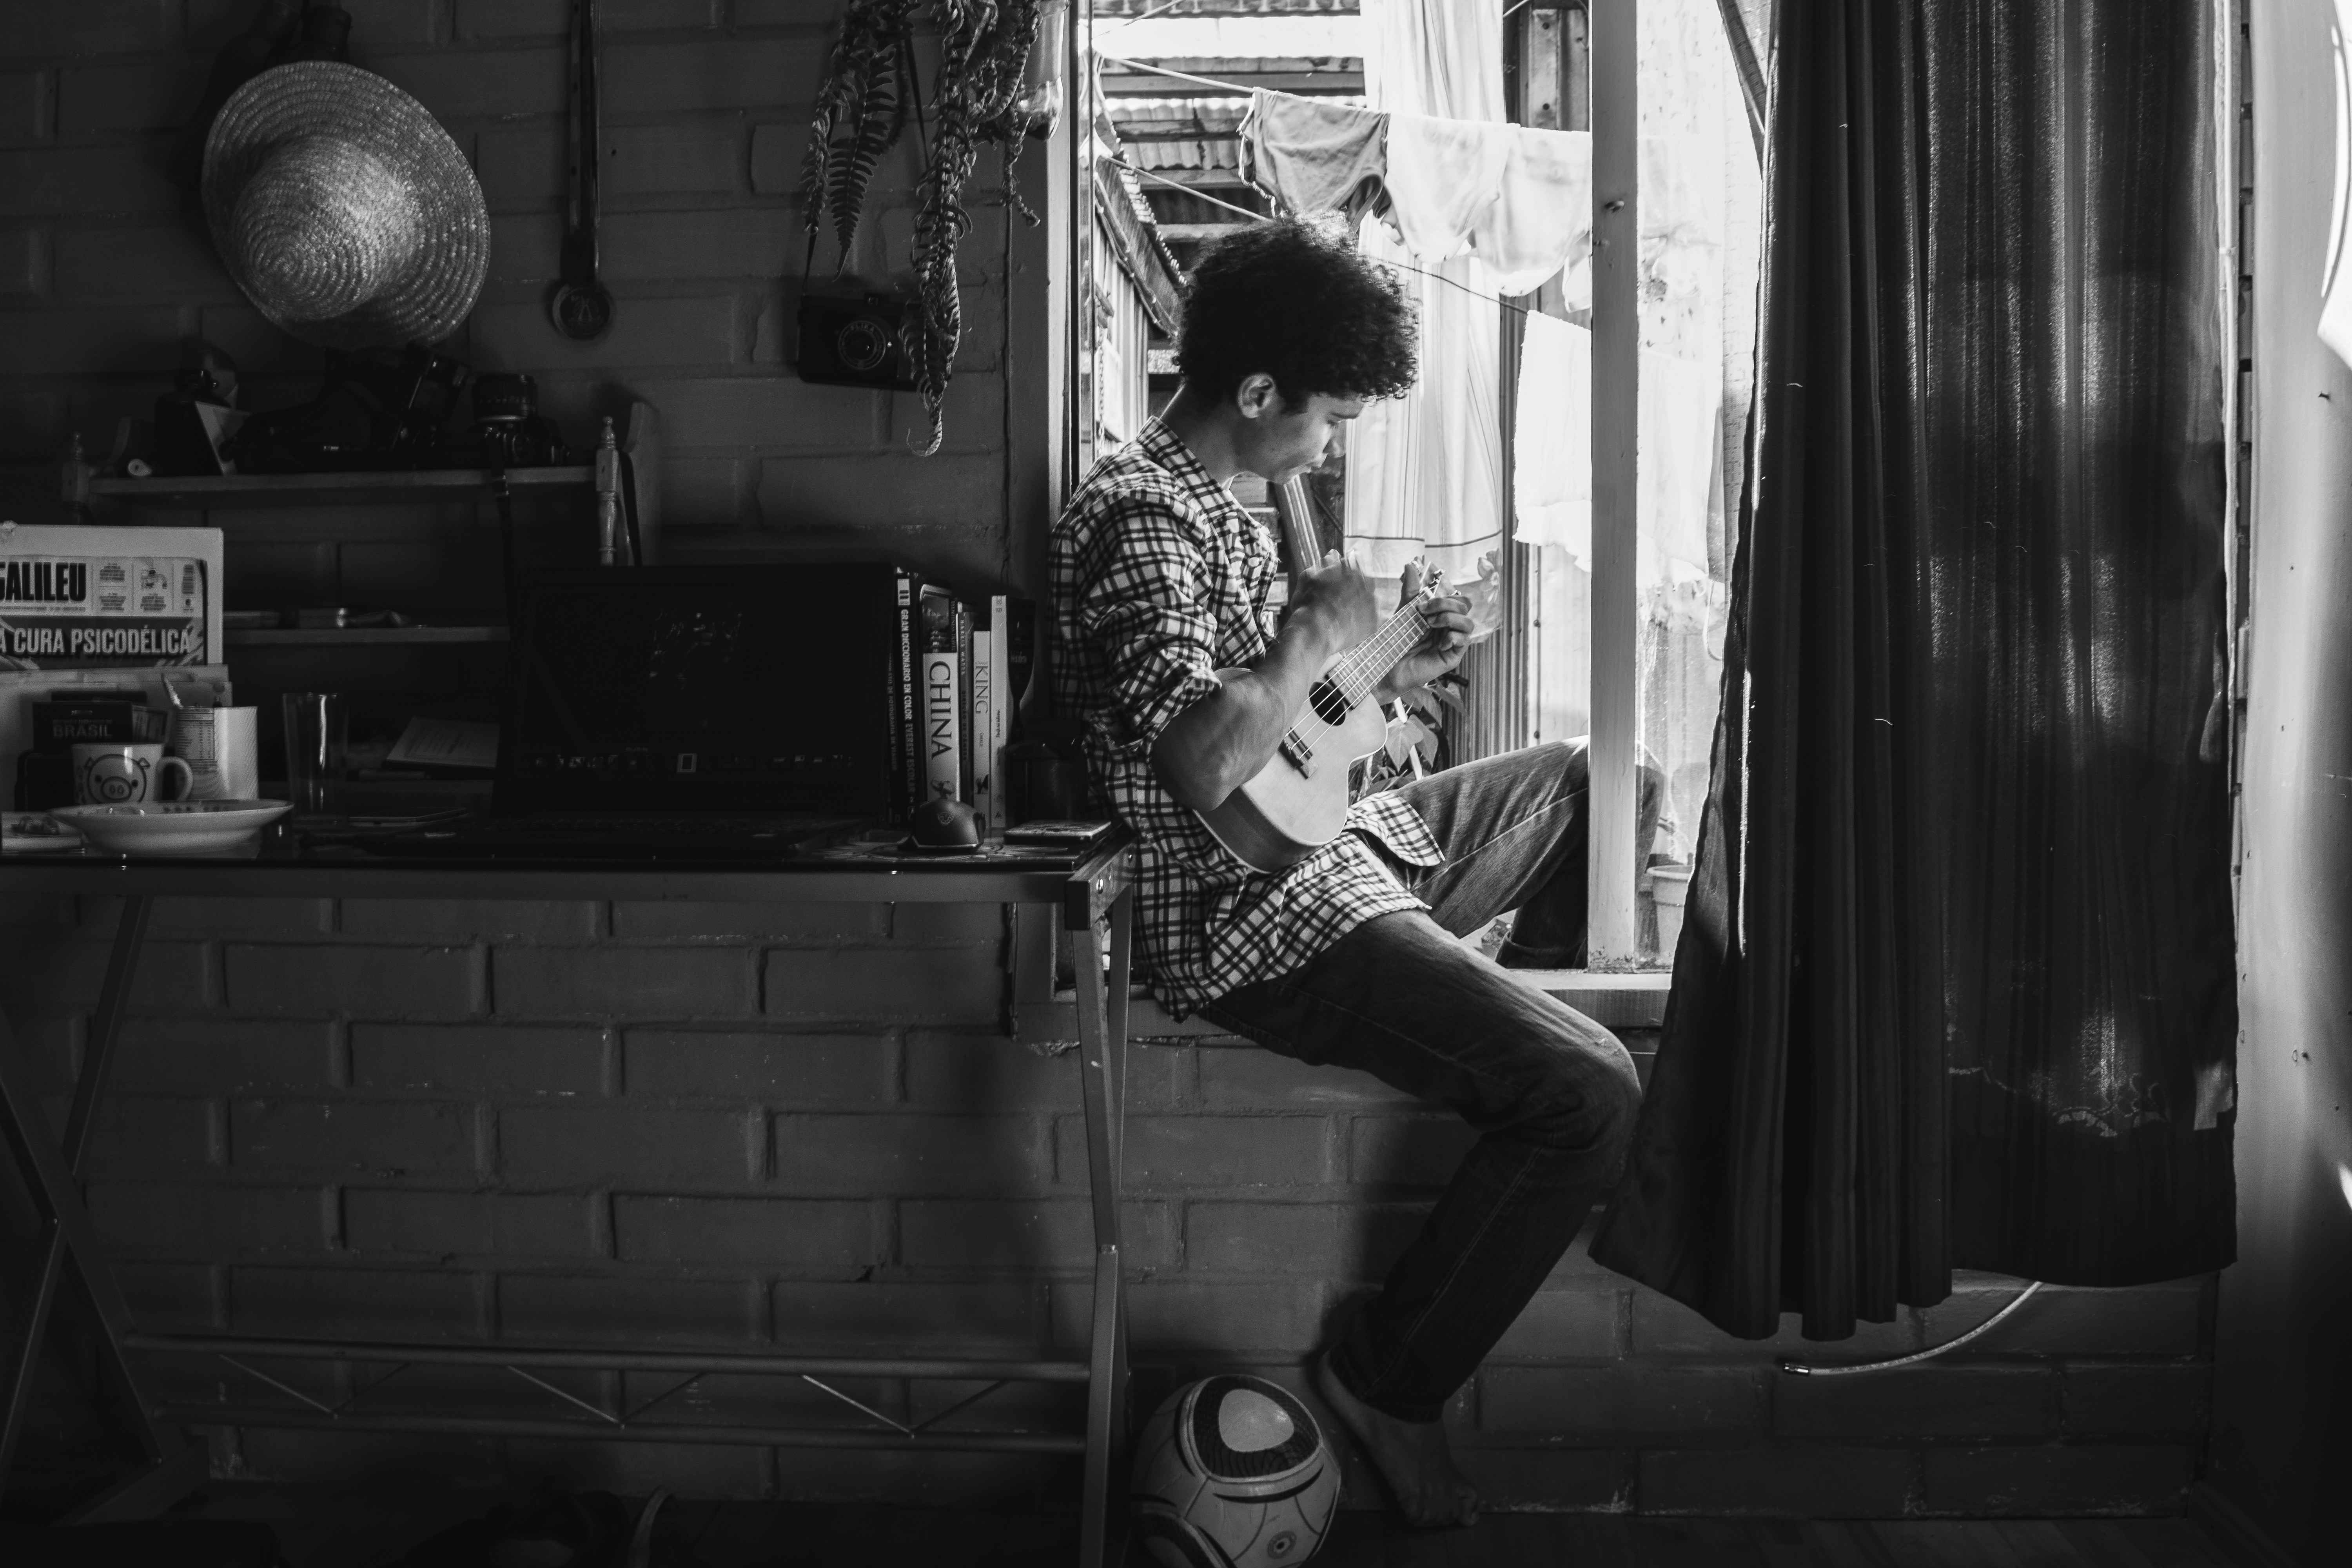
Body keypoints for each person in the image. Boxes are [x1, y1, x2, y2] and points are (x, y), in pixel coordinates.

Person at [1049, 220, 1656, 1529]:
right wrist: (1312, 641)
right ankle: (1391, 1382)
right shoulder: (1140, 515)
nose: (1332, 446)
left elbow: (1291, 740)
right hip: (1258, 919)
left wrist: (1384, 671)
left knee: (1603, 777)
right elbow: (1207, 762)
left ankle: (1493, 997)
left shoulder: (1223, 505)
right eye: (1328, 418)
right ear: (1258, 391)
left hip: (1344, 857)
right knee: (1590, 1092)